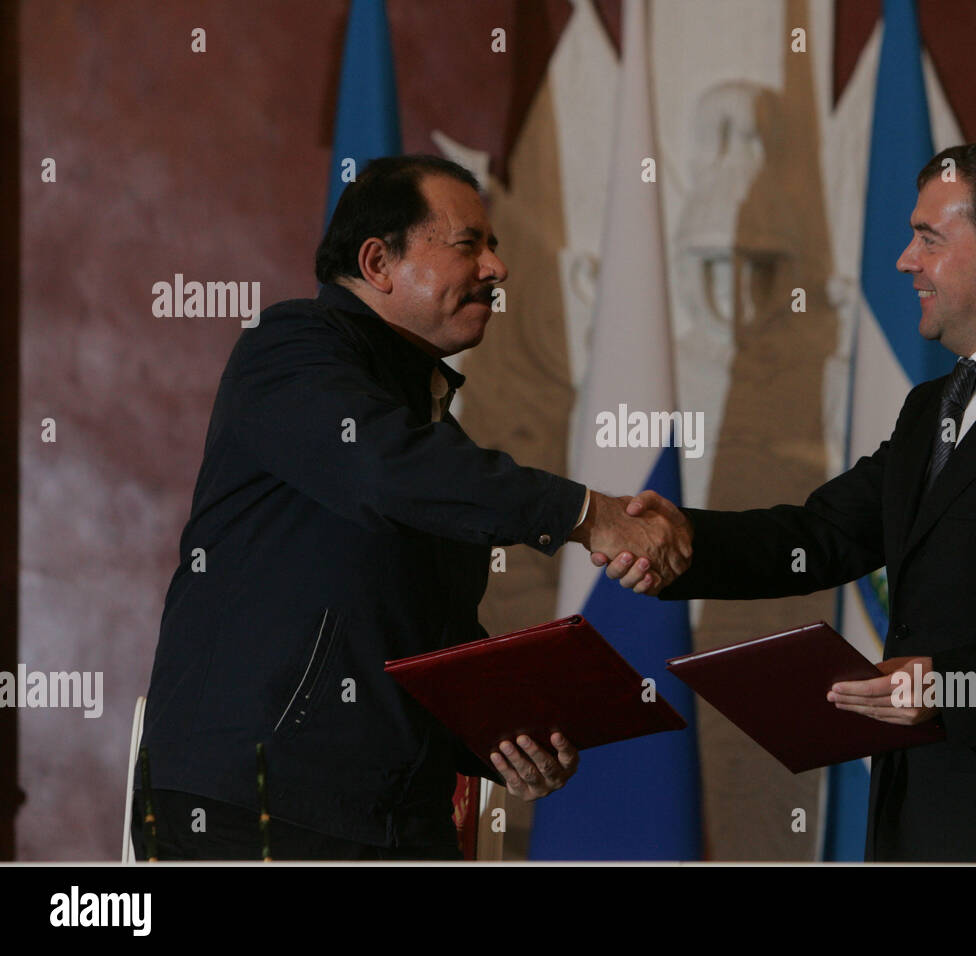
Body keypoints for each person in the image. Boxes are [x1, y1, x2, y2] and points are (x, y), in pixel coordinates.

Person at [597, 137, 976, 862]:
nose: (906, 260)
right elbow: (821, 535)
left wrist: (953, 687)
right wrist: (681, 540)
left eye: (929, 239)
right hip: (911, 819)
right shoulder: (930, 408)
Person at [131, 155, 690, 860]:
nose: (496, 268)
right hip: (256, 807)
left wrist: (503, 739)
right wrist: (584, 512)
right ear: (377, 262)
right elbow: (382, 469)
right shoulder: (288, 346)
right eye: (468, 244)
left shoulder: (437, 439)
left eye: (493, 247)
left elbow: (420, 640)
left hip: (399, 822)